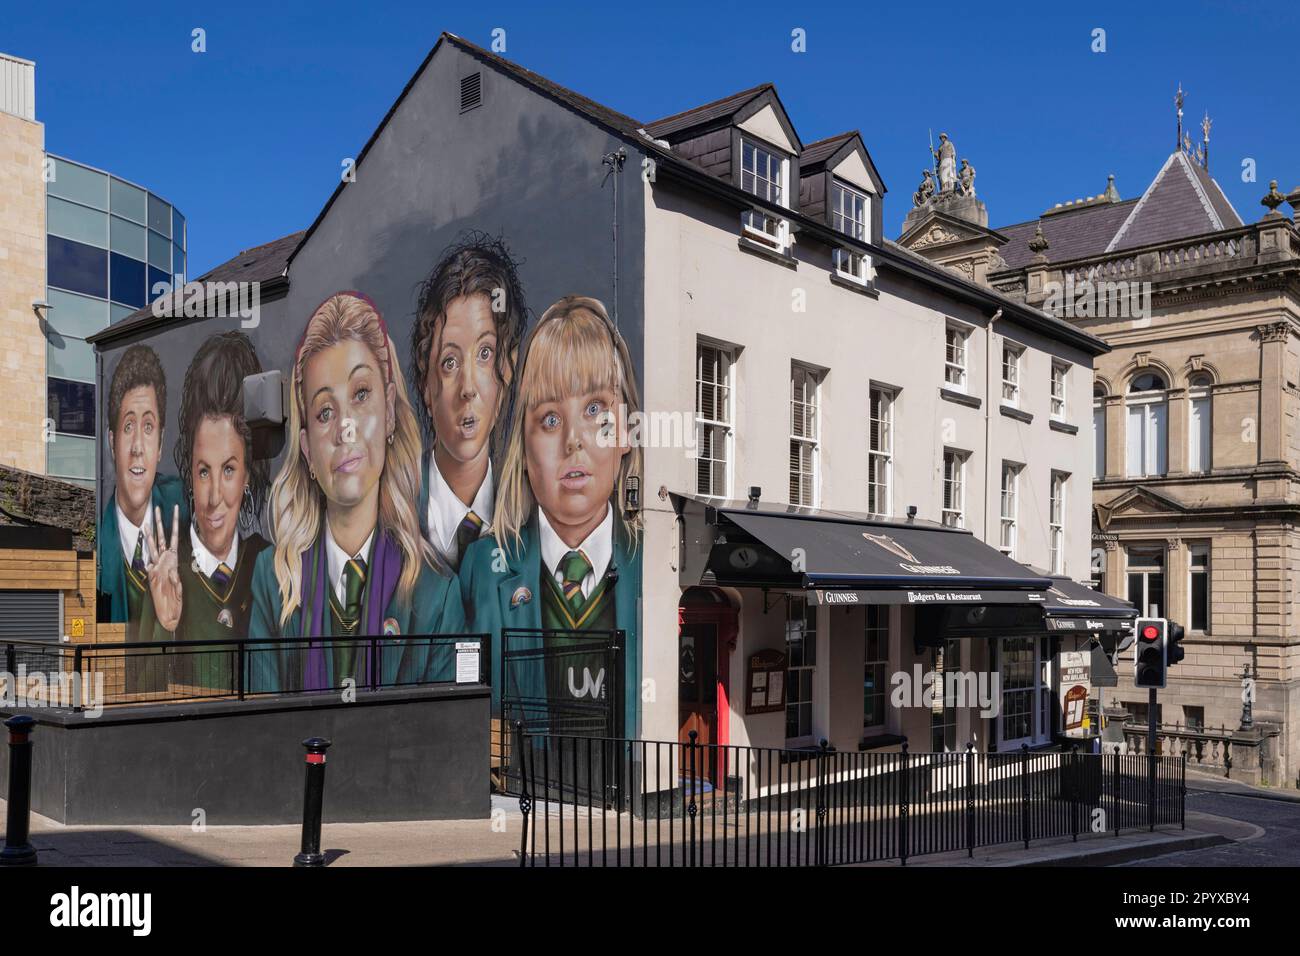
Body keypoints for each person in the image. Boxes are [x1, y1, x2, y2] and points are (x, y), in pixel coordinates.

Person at [248, 292, 464, 693]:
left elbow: (442, 728)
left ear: (389, 413)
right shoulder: (272, 579)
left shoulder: (437, 594)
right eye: (325, 412)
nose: (345, 429)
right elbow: (262, 722)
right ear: (308, 451)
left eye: (361, 394)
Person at [459, 296, 642, 734]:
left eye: (594, 409)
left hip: (623, 779)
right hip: (528, 780)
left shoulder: (652, 563)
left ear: (625, 432)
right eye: (550, 419)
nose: (573, 440)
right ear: (523, 450)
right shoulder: (482, 569)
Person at [136, 332, 272, 690]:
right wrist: (165, 626)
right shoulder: (167, 571)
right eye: (203, 471)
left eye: (228, 470)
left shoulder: (266, 564)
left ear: (247, 475)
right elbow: (139, 695)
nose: (213, 497)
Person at [410, 234, 526, 572]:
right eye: (449, 362)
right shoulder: (392, 510)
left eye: (485, 354)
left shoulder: (529, 517)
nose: (468, 388)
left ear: (507, 369)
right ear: (426, 383)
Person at [97, 346, 187, 699]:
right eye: (128, 426)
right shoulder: (98, 548)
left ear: (161, 443)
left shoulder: (189, 508)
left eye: (147, 427)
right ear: (112, 441)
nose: (137, 446)